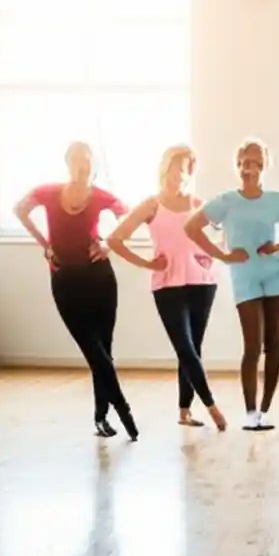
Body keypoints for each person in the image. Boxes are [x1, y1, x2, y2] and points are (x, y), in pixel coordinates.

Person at [184, 139, 279, 432]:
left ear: (263, 166)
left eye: (255, 163)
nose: (249, 168)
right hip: (245, 277)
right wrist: (223, 255)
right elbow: (191, 227)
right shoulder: (226, 201)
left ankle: (265, 411)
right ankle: (250, 412)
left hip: (278, 274)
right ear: (238, 165)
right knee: (252, 346)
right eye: (244, 162)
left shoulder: (276, 199)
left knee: (273, 344)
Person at [13, 141, 138, 441]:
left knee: (103, 350)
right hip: (65, 278)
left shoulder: (101, 196)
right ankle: (122, 408)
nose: (82, 165)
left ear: (93, 166)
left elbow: (131, 215)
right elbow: (19, 209)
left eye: (87, 161)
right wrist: (45, 245)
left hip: (100, 278)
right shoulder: (48, 192)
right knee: (92, 349)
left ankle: (101, 417)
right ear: (68, 163)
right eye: (77, 160)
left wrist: (109, 243)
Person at [107, 144, 227, 432]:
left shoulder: (199, 204)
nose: (179, 174)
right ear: (165, 168)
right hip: (167, 285)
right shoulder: (151, 205)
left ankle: (184, 411)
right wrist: (148, 264)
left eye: (185, 168)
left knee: (193, 349)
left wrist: (212, 255)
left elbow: (226, 234)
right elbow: (114, 239)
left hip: (202, 282)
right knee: (184, 347)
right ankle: (212, 406)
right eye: (175, 167)